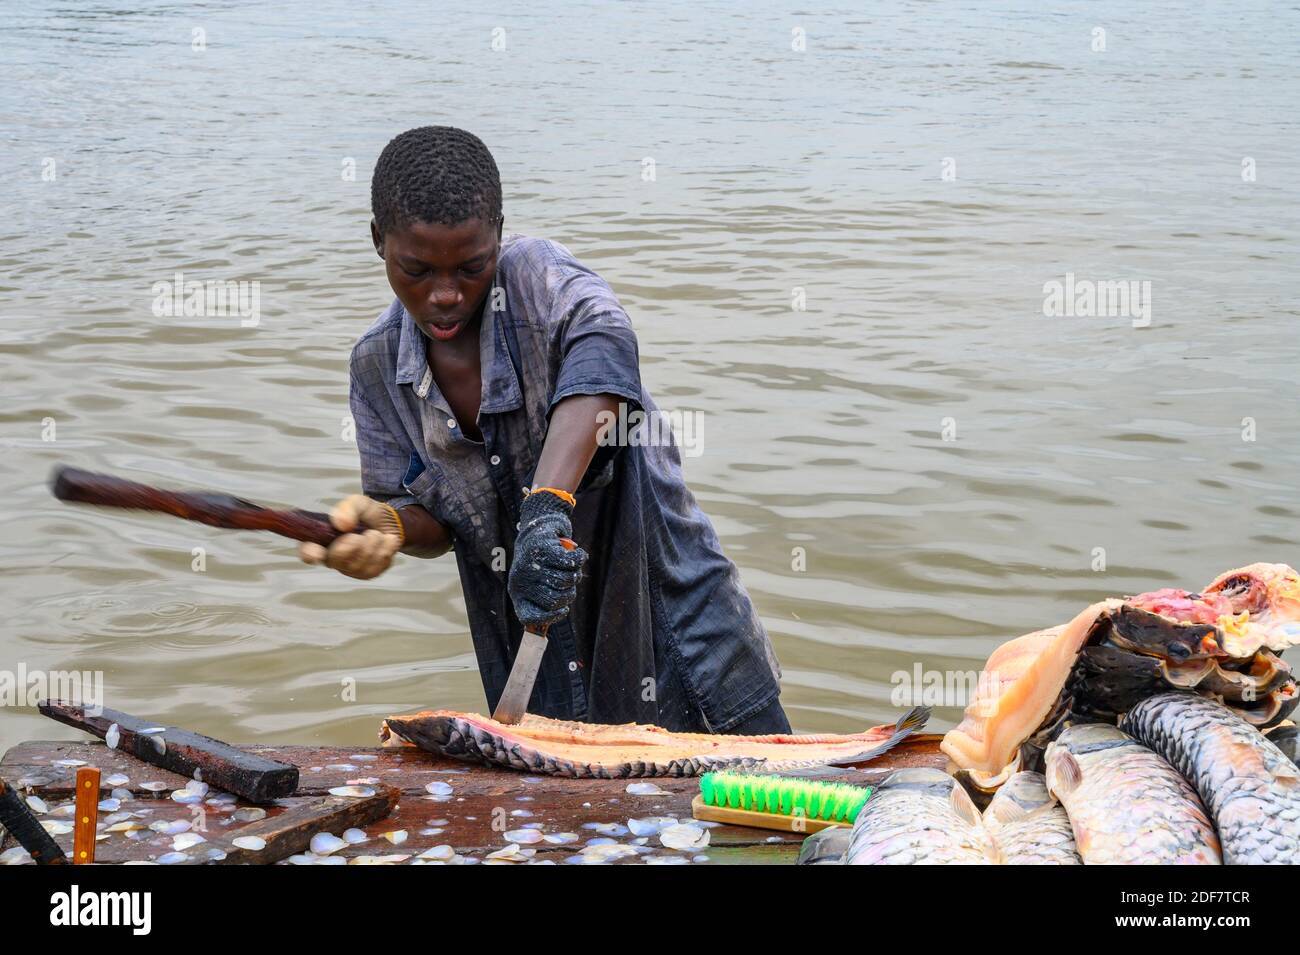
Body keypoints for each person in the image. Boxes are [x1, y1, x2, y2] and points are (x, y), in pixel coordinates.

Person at [300, 125, 788, 734]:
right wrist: (394, 526)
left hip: (684, 644)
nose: (446, 294)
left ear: (498, 235)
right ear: (378, 242)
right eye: (417, 270)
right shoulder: (377, 367)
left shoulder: (538, 281)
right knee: (571, 825)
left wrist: (546, 505)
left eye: (471, 267)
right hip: (536, 677)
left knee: (766, 814)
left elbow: (607, 349)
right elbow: (434, 524)